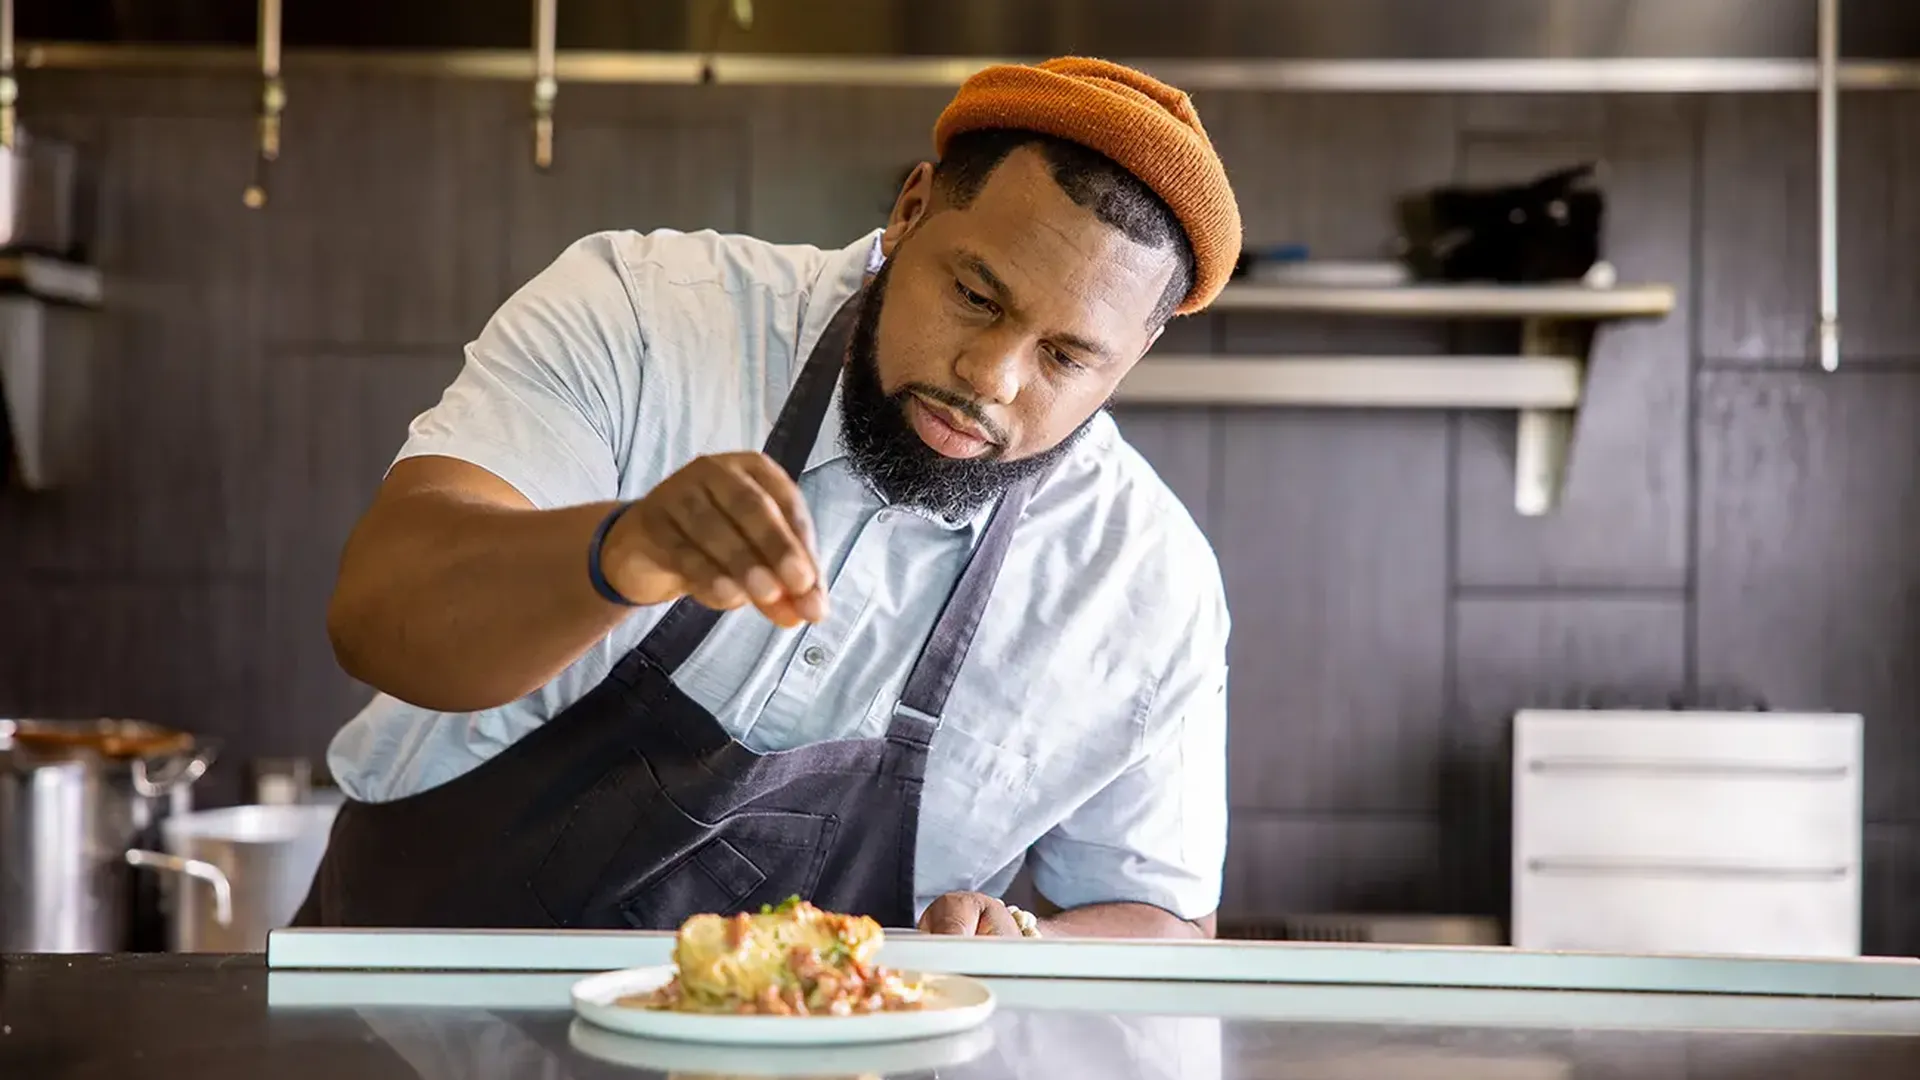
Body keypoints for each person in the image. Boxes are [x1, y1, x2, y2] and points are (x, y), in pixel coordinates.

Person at [300, 57, 1241, 939]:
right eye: (974, 296)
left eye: (1068, 358)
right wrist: (618, 553)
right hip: (406, 1019)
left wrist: (1026, 949)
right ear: (909, 212)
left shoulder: (1148, 583)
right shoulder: (643, 314)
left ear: (1132, 359)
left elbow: (1161, 918)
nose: (991, 378)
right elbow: (378, 616)